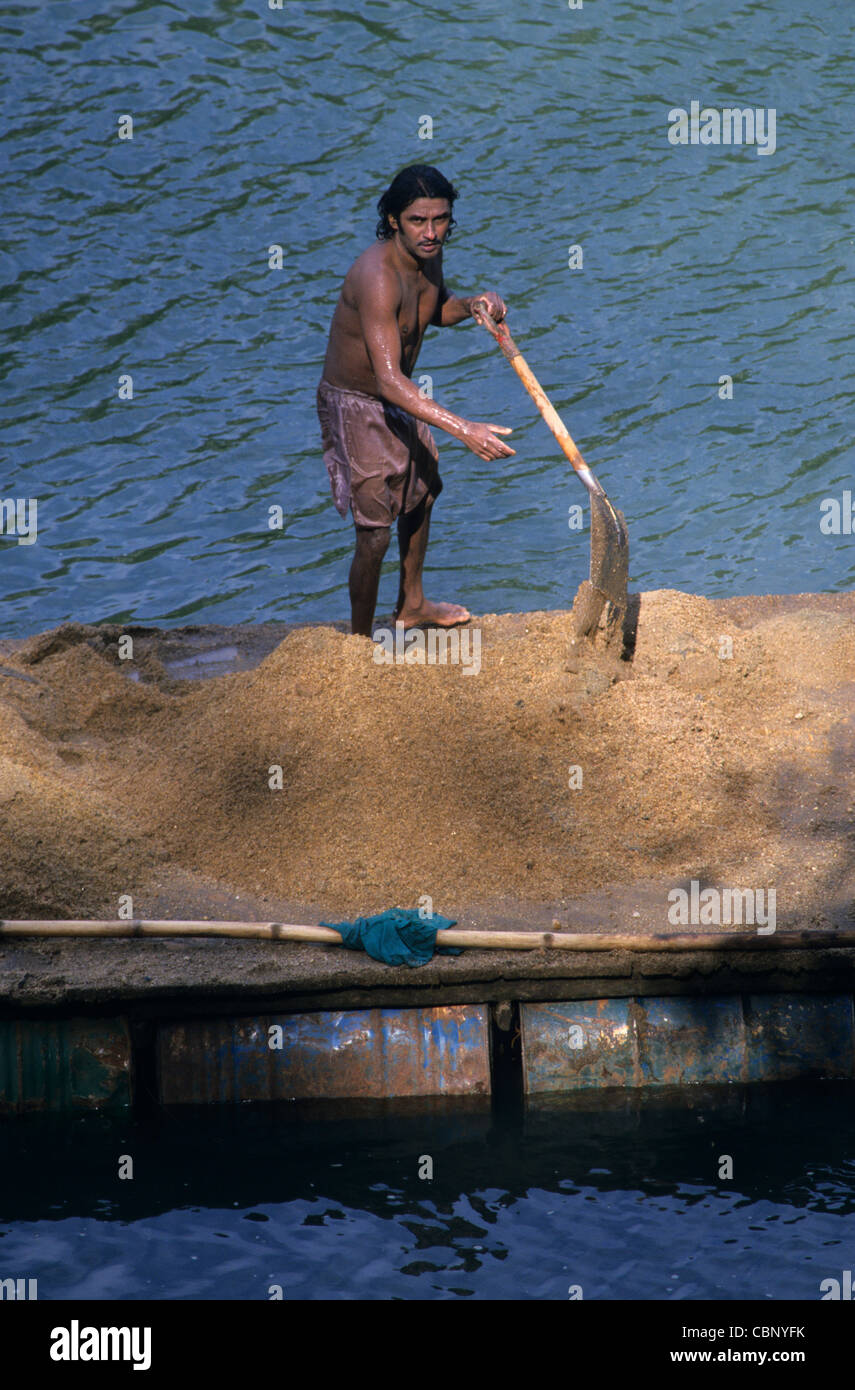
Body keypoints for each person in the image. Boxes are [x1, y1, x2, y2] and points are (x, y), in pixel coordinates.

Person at [317, 164, 515, 637]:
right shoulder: (376, 277)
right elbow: (386, 379)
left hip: (398, 394)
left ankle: (412, 605)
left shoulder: (429, 258)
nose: (431, 233)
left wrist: (471, 307)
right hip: (359, 403)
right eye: (417, 221)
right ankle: (359, 643)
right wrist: (465, 428)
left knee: (423, 492)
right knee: (374, 533)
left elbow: (432, 308)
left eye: (440, 219)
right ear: (392, 220)